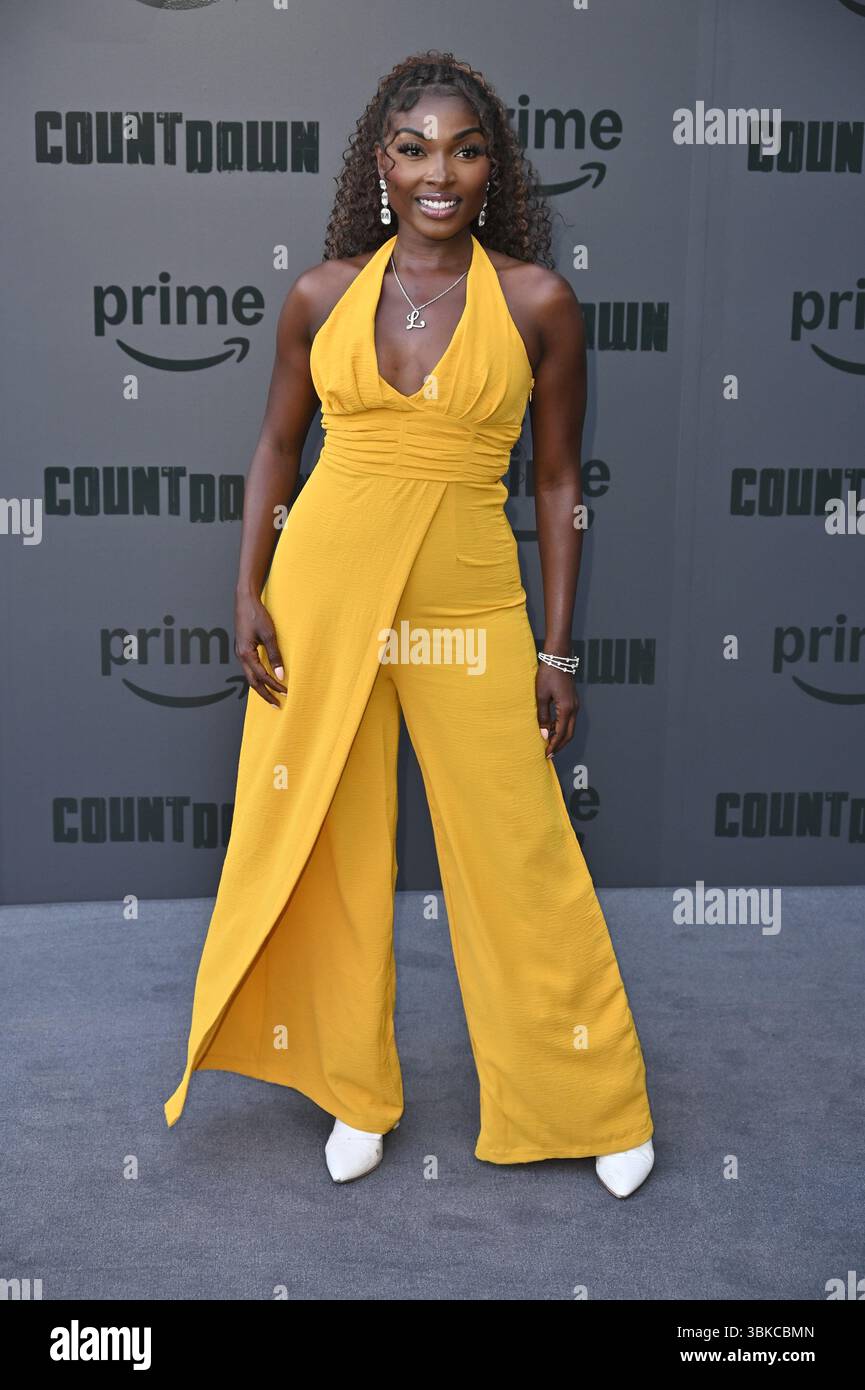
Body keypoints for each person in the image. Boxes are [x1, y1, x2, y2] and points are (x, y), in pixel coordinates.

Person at [163, 51, 656, 1199]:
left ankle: (586, 1094)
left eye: (465, 148)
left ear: (494, 170)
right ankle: (351, 1089)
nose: (441, 170)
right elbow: (278, 450)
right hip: (324, 595)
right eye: (416, 146)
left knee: (517, 847)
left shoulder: (537, 302)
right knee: (332, 843)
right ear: (380, 164)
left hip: (468, 606)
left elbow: (556, 481)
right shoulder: (323, 293)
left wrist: (555, 648)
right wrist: (248, 590)